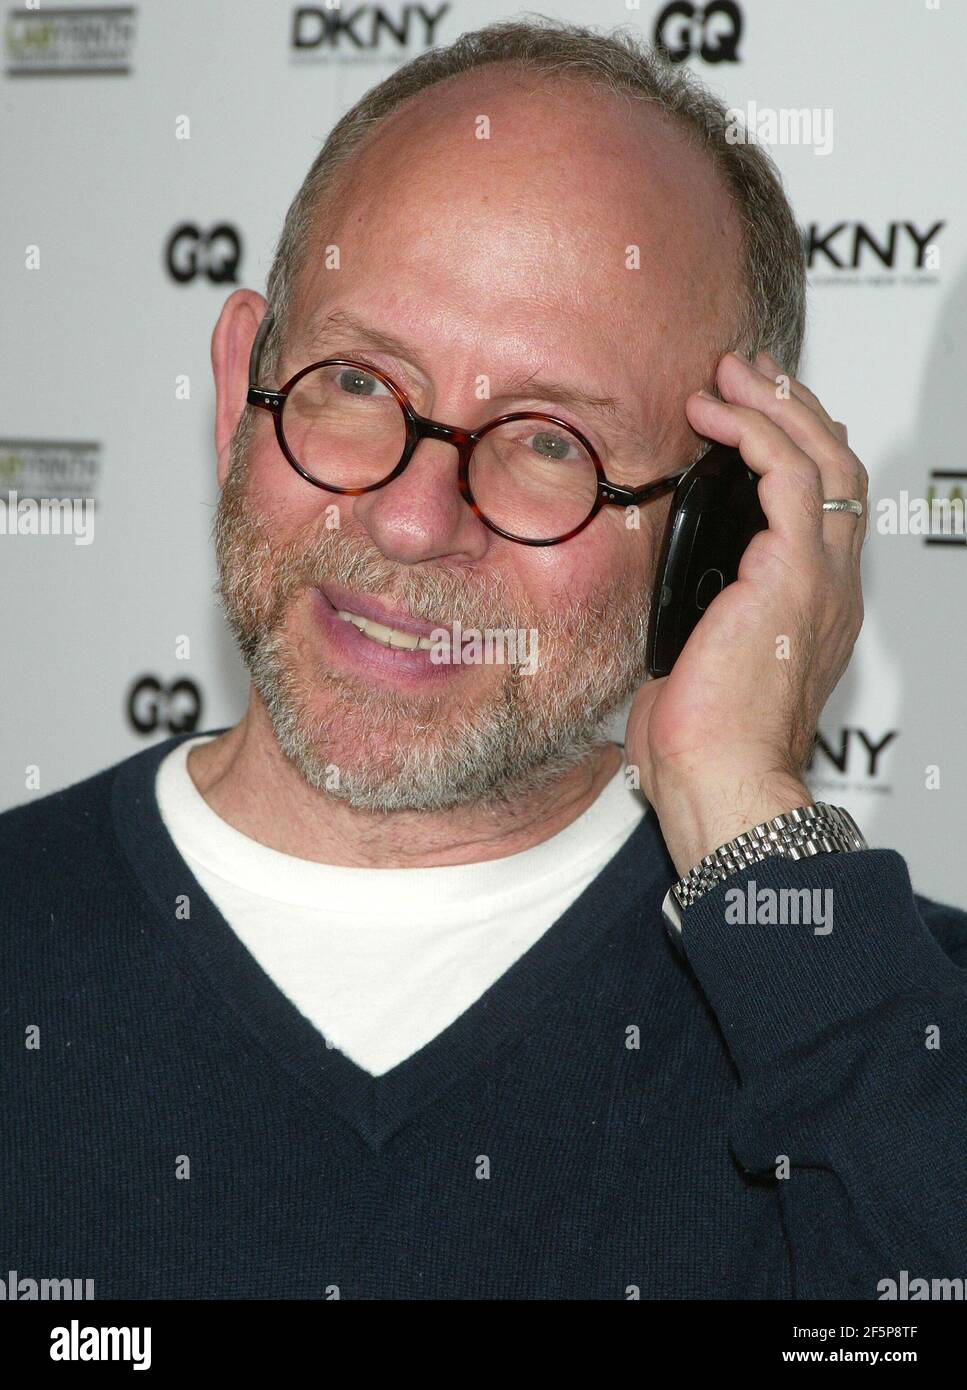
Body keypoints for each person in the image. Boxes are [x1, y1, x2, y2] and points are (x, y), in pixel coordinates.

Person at [4, 19, 966, 1301]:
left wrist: (744, 810)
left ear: (715, 530)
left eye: (552, 440)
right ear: (241, 388)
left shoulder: (871, 1029)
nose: (411, 517)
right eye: (354, 380)